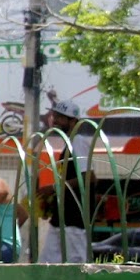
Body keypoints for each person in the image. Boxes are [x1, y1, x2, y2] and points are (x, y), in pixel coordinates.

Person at [40, 98, 93, 263]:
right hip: (61, 218)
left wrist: (53, 188)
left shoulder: (78, 142)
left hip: (74, 219)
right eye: (55, 116)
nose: (55, 120)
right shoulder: (69, 144)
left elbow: (88, 177)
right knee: (48, 263)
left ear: (73, 121)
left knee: (75, 264)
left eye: (60, 117)